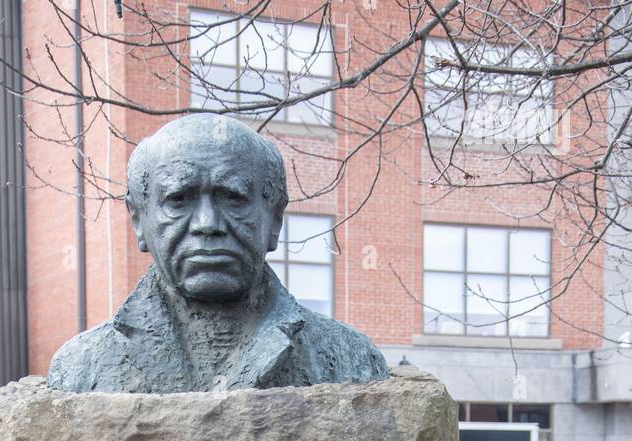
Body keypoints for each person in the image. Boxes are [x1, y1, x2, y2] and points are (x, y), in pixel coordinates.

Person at [48, 113, 387, 394]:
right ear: (139, 220)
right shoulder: (80, 368)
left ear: (274, 219)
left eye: (234, 198)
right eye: (179, 200)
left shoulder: (351, 362)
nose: (207, 224)